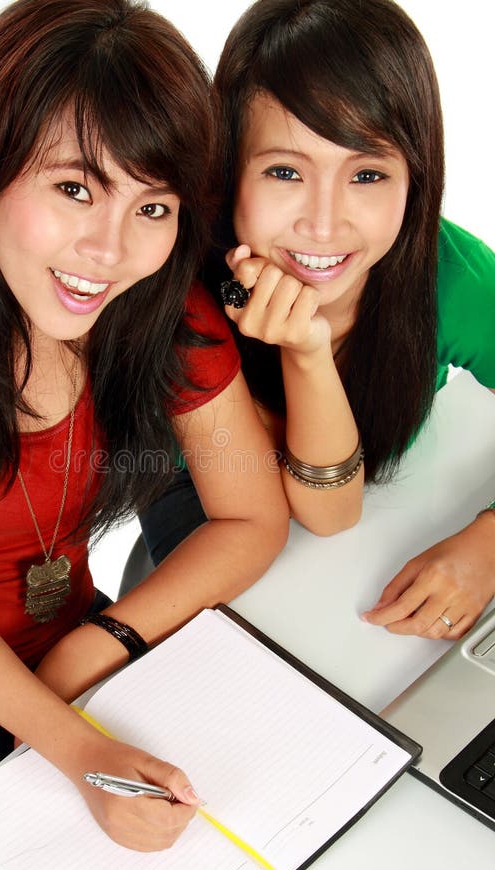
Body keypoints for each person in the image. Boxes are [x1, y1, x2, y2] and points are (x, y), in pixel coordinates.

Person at [0, 0, 289, 856]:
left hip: (65, 634)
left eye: (152, 208)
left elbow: (250, 515)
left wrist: (103, 637)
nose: (108, 250)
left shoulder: (160, 311)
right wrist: (83, 754)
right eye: (75, 189)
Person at [139, 0, 495, 637]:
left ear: (416, 177)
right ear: (226, 173)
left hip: (375, 558)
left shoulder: (445, 271)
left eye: (367, 173)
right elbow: (323, 514)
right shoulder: (170, 293)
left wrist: (487, 548)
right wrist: (306, 350)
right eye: (284, 170)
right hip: (211, 555)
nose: (325, 223)